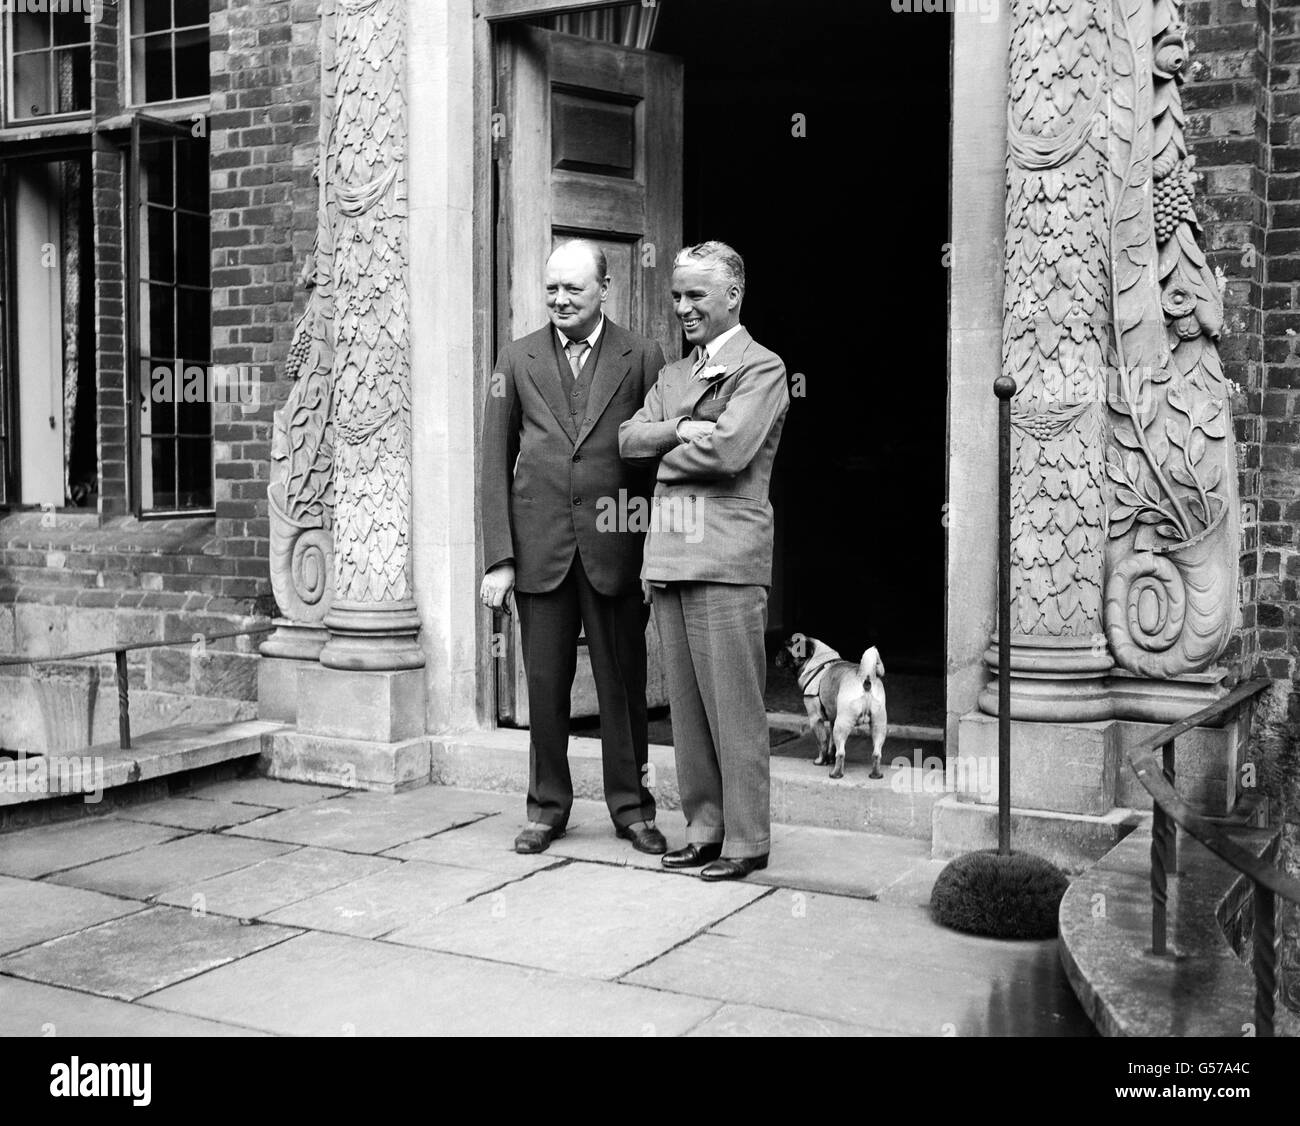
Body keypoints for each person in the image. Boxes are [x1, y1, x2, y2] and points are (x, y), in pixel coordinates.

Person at [479, 239, 668, 856]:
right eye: (552, 288)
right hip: (540, 552)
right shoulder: (516, 358)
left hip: (616, 549)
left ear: (605, 290)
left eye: (574, 289)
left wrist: (651, 556)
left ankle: (633, 809)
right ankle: (546, 808)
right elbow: (493, 462)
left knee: (622, 687)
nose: (559, 300)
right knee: (546, 687)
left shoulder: (642, 357)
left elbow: (652, 471)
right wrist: (501, 558)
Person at [618, 241, 790, 881]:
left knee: (734, 708)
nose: (683, 307)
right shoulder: (672, 375)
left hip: (726, 557)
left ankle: (748, 840)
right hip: (669, 555)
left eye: (696, 295)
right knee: (687, 713)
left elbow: (728, 452)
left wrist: (679, 436)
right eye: (677, 296)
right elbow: (628, 441)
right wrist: (686, 427)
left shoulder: (763, 369)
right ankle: (706, 829)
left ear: (732, 297)